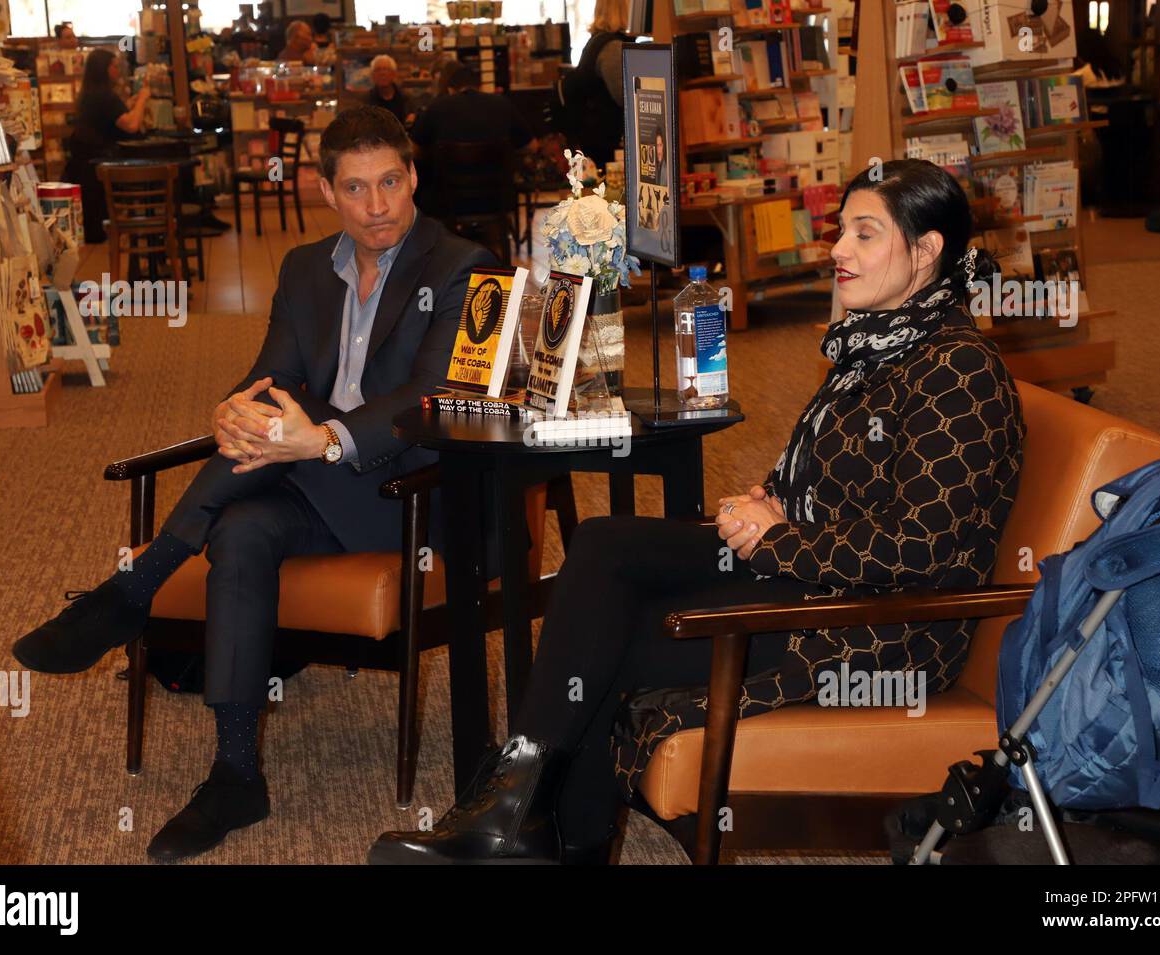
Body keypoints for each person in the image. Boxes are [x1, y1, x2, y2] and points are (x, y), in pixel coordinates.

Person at [369, 158, 1026, 865]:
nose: (838, 250)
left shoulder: (958, 370)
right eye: (842, 231)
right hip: (816, 578)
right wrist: (770, 500)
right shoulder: (877, 344)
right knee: (604, 545)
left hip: (877, 628)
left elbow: (922, 552)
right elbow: (831, 477)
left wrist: (779, 539)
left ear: (927, 251)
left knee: (609, 634)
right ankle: (522, 810)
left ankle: (535, 825)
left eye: (865, 235)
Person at [13, 107, 496, 862]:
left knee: (285, 446)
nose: (378, 205)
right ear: (326, 192)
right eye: (357, 187)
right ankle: (236, 772)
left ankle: (133, 590)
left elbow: (430, 397)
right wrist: (234, 409)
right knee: (241, 530)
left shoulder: (464, 265)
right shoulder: (306, 267)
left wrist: (324, 438)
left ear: (413, 178)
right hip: (309, 488)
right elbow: (272, 376)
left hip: (410, 496)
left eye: (392, 183)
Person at [410, 64, 536, 215]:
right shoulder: (502, 104)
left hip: (448, 199)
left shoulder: (436, 107)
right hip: (497, 197)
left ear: (450, 90)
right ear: (481, 87)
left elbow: (413, 150)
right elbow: (532, 146)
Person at [62, 49, 150, 244]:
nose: (117, 70)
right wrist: (143, 99)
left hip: (86, 164)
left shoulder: (90, 94)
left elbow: (111, 117)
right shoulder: (104, 95)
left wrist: (130, 105)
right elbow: (131, 125)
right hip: (100, 166)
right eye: (114, 66)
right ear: (104, 69)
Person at [558, 0, 634, 168]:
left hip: (592, 135)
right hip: (607, 138)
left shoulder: (596, 42)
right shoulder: (612, 47)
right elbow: (625, 97)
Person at [367, 54, 411, 125]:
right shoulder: (366, 102)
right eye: (378, 70)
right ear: (372, 76)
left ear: (394, 74)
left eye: (386, 69)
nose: (382, 73)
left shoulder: (406, 99)